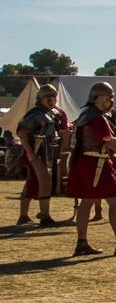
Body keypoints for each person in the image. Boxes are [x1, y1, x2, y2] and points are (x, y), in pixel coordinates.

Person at [65, 82, 116, 256]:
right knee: (115, 201)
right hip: (96, 164)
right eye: (107, 97)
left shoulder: (85, 115)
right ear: (96, 98)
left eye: (111, 98)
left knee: (87, 203)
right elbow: (111, 142)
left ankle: (82, 243)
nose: (110, 101)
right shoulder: (96, 118)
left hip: (86, 162)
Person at [15, 83, 69, 227]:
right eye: (48, 97)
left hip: (49, 152)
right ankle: (45, 216)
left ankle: (23, 216)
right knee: (45, 182)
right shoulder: (35, 114)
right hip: (37, 152)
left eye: (53, 97)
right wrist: (30, 152)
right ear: (40, 98)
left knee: (33, 182)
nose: (51, 100)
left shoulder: (52, 113)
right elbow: (21, 132)